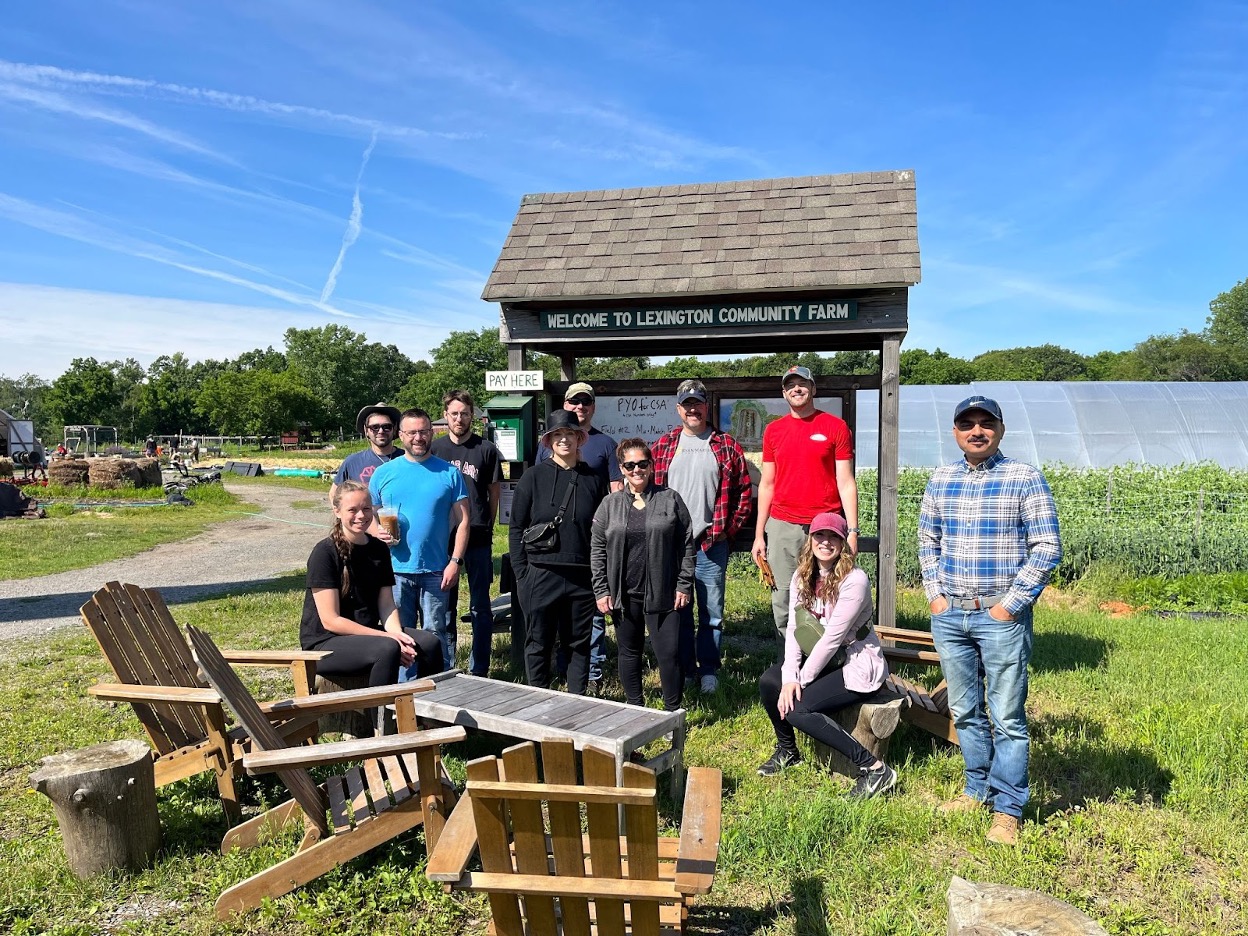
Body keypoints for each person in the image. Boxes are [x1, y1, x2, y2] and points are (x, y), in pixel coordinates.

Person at [919, 396, 1062, 846]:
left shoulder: (1023, 478)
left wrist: (1010, 605)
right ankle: (975, 788)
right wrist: (936, 598)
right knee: (964, 709)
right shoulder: (941, 479)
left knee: (1006, 715)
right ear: (955, 431)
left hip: (1000, 613)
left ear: (1000, 429)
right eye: (967, 424)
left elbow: (1046, 547)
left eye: (986, 423)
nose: (976, 431)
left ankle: (1007, 809)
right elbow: (928, 540)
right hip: (951, 614)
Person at [757, 512, 896, 799]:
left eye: (834, 536)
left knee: (798, 709)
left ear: (843, 543)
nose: (826, 541)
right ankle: (788, 750)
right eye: (820, 534)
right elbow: (796, 627)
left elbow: (833, 638)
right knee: (769, 682)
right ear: (811, 539)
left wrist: (801, 682)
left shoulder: (854, 580)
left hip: (855, 660)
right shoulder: (802, 575)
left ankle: (874, 768)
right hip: (822, 657)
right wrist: (788, 678)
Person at [651, 378, 753, 694]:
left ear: (705, 406)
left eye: (697, 403)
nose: (692, 409)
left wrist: (727, 530)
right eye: (687, 404)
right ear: (678, 408)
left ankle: (708, 669)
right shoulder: (664, 445)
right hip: (673, 544)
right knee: (678, 610)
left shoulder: (727, 445)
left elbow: (744, 493)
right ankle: (685, 668)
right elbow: (650, 492)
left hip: (710, 543)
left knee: (711, 613)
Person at [751, 365, 859, 657]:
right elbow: (767, 484)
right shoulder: (774, 430)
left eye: (802, 384)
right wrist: (760, 533)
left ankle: (829, 660)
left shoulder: (835, 427)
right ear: (784, 393)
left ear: (813, 389)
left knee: (828, 594)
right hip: (783, 525)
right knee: (784, 596)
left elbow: (846, 481)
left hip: (825, 526)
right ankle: (789, 662)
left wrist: (852, 530)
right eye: (790, 385)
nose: (796, 389)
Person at [300, 481, 442, 694]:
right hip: (325, 643)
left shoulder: (378, 549)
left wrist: (397, 635)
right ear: (337, 512)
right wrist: (388, 638)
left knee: (429, 643)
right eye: (352, 510)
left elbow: (386, 604)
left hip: (365, 635)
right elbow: (331, 620)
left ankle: (427, 716)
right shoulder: (325, 553)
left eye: (366, 508)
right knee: (386, 649)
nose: (361, 515)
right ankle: (379, 720)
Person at [591, 438, 695, 711]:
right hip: (624, 595)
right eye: (630, 465)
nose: (637, 470)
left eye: (642, 464)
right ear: (622, 469)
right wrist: (601, 590)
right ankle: (635, 708)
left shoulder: (669, 499)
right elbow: (598, 549)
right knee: (629, 653)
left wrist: (684, 584)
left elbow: (686, 543)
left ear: (651, 465)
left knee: (669, 655)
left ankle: (673, 713)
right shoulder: (609, 505)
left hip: (664, 591)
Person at [509, 409, 607, 694]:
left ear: (579, 439)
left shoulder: (594, 479)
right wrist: (522, 575)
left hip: (581, 576)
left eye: (570, 434)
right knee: (539, 642)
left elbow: (601, 531)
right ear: (549, 441)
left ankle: (577, 702)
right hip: (541, 573)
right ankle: (539, 702)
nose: (564, 440)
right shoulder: (532, 477)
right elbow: (516, 529)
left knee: (578, 643)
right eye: (558, 435)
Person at [536, 382, 623, 694]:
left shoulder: (606, 444)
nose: (580, 407)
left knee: (591, 614)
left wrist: (612, 535)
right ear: (567, 404)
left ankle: (592, 674)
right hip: (552, 546)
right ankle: (562, 669)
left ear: (593, 406)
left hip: (590, 543)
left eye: (586, 402)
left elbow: (616, 492)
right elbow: (538, 486)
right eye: (575, 402)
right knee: (555, 613)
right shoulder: (547, 445)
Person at [369, 408, 470, 672]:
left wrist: (455, 561)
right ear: (400, 435)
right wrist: (376, 531)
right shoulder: (384, 473)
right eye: (412, 432)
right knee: (400, 634)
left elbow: (464, 521)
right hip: (395, 571)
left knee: (436, 631)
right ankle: (404, 690)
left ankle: (440, 684)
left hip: (436, 570)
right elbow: (368, 516)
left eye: (424, 431)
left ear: (432, 433)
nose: (418, 438)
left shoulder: (449, 473)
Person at [430, 390, 502, 677]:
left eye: (465, 413)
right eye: (454, 413)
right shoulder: (435, 450)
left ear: (474, 416)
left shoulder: (486, 450)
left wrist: (487, 522)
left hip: (478, 537)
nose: (460, 418)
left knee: (480, 605)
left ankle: (479, 668)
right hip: (444, 538)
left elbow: (493, 492)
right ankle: (446, 666)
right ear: (446, 416)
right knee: (445, 606)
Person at [331, 402, 403, 501]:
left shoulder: (407, 458)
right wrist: (341, 514)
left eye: (387, 427)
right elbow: (334, 494)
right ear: (366, 430)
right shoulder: (353, 462)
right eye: (375, 427)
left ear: (394, 428)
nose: (381, 431)